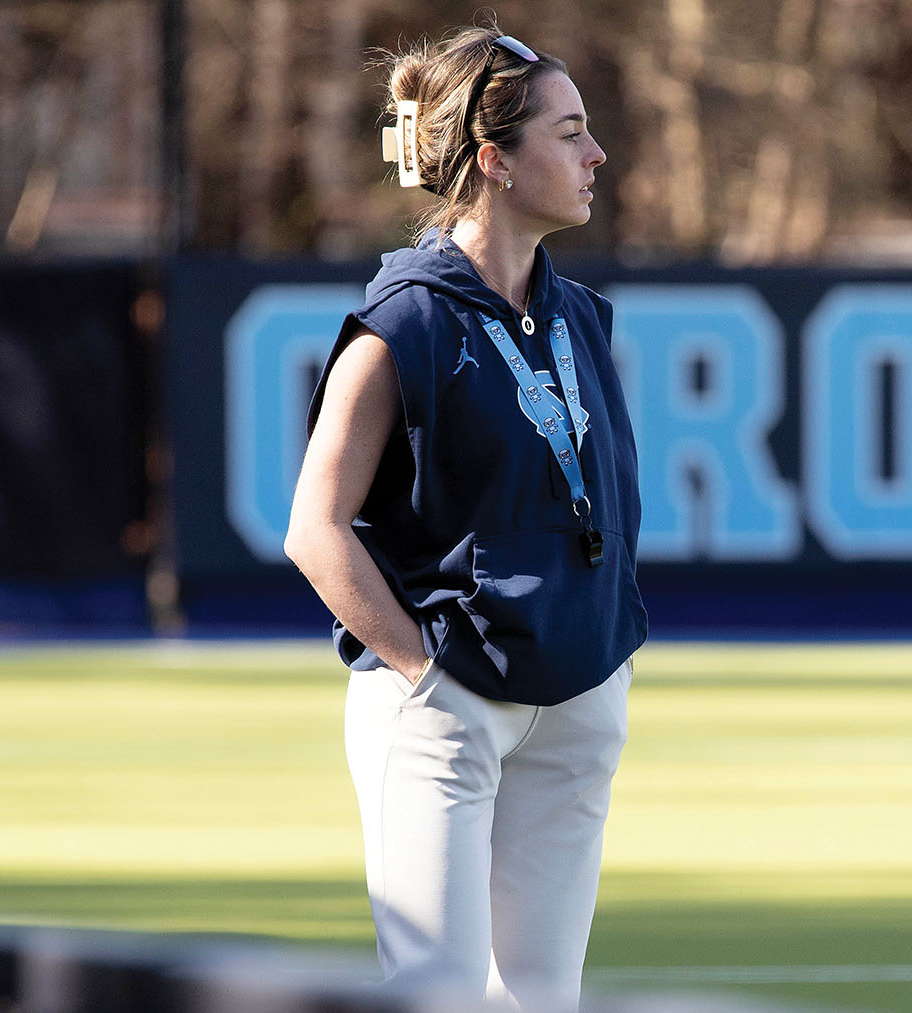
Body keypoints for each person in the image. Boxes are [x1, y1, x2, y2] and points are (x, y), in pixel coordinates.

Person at [284, 23, 646, 1011]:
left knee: (540, 998)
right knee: (436, 995)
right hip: (446, 707)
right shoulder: (405, 319)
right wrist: (423, 672)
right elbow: (315, 527)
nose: (595, 155)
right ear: (495, 160)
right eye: (569, 133)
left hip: (576, 693)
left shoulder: (575, 312)